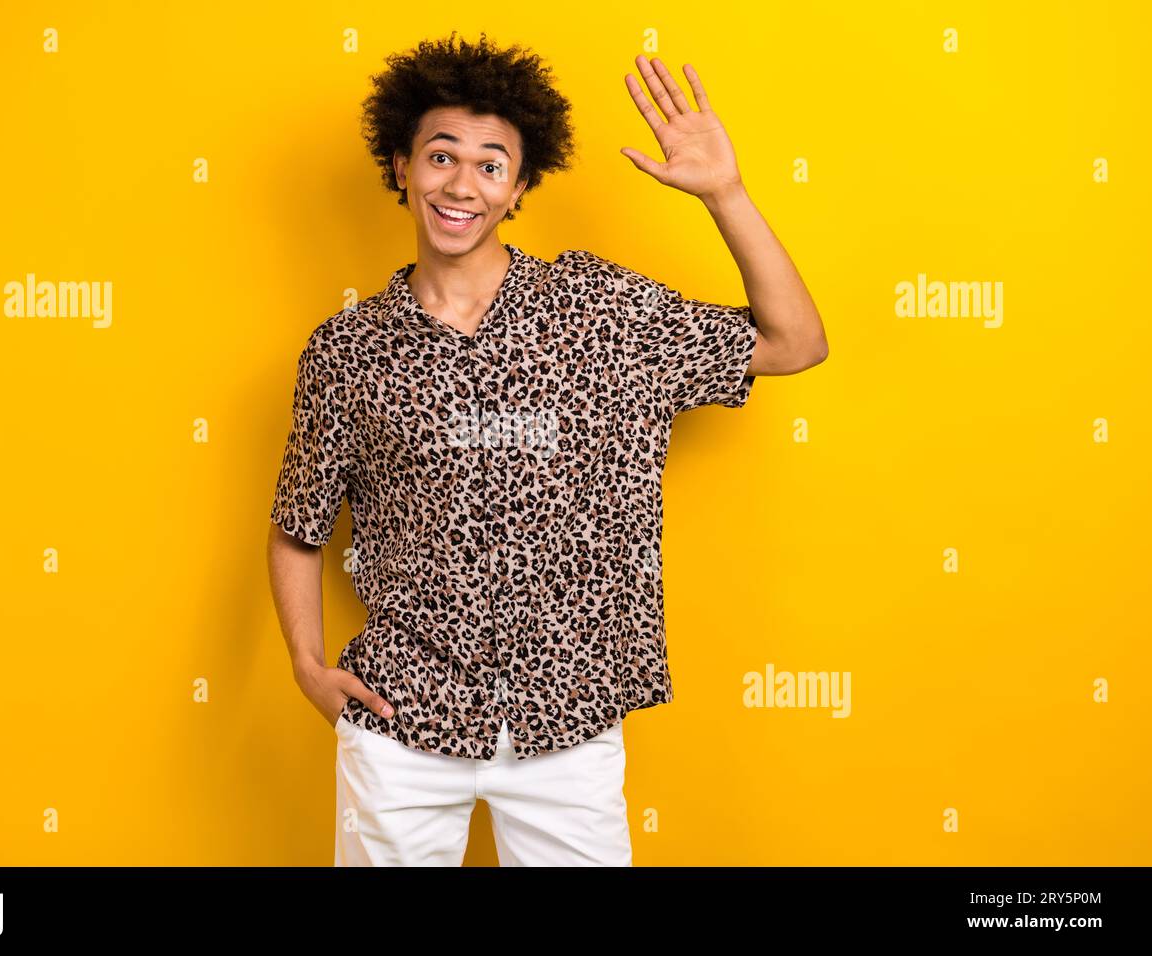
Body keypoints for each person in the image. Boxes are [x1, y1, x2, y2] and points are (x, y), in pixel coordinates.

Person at [266, 32, 828, 866]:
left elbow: (794, 342)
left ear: (521, 185)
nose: (462, 183)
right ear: (399, 167)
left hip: (568, 721)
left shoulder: (600, 311)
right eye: (440, 156)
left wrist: (726, 194)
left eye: (492, 164)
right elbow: (296, 523)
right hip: (404, 720)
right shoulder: (348, 351)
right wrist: (310, 669)